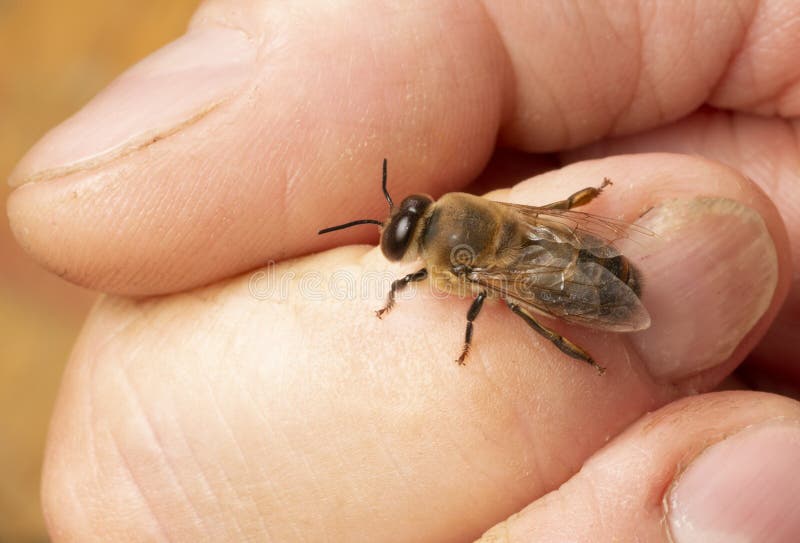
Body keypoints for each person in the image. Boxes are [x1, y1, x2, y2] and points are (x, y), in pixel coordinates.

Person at [8, 1, 800, 541]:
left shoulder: (455, 266)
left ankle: (587, 351)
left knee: (521, 306)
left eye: (402, 221)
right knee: (549, 253)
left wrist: (438, 324)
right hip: (576, 243)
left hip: (568, 261)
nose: (401, 219)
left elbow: (464, 296)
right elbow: (548, 229)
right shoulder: (482, 224)